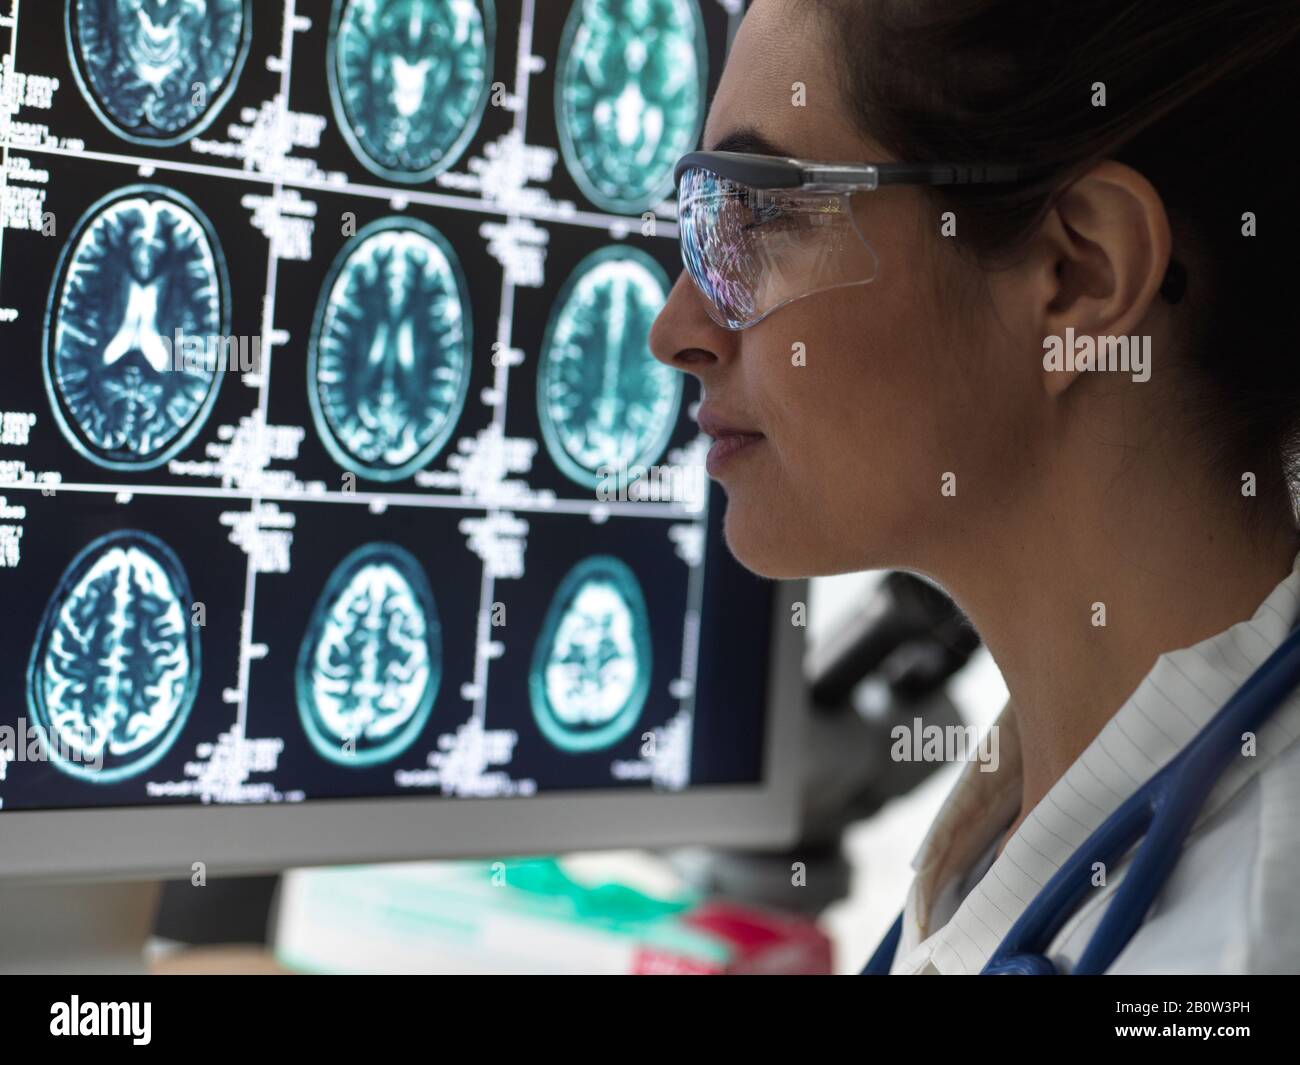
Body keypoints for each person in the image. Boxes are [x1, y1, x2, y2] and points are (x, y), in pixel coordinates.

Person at [649, 0, 1300, 974]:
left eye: (759, 215)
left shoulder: (1233, 948)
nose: (678, 331)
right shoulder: (1052, 826)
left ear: (1076, 275)